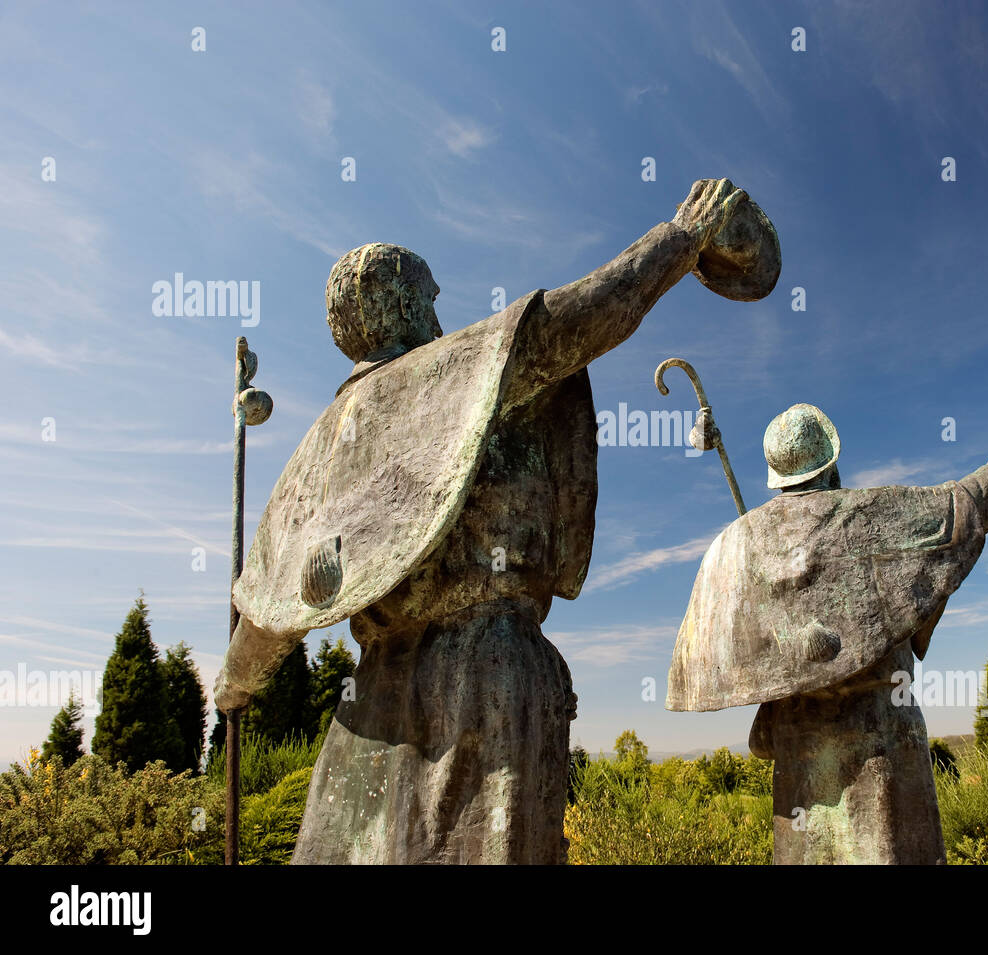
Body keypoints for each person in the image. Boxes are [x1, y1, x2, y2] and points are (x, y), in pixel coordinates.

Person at [216, 179, 757, 863]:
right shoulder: (455, 374)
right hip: (486, 678)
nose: (441, 306)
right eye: (432, 294)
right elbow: (584, 318)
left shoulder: (315, 449)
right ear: (399, 300)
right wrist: (682, 237)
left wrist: (234, 687)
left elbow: (264, 619)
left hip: (373, 699)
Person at [666, 399, 988, 863]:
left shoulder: (735, 544)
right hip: (879, 736)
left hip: (797, 741)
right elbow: (963, 508)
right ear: (830, 465)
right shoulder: (866, 515)